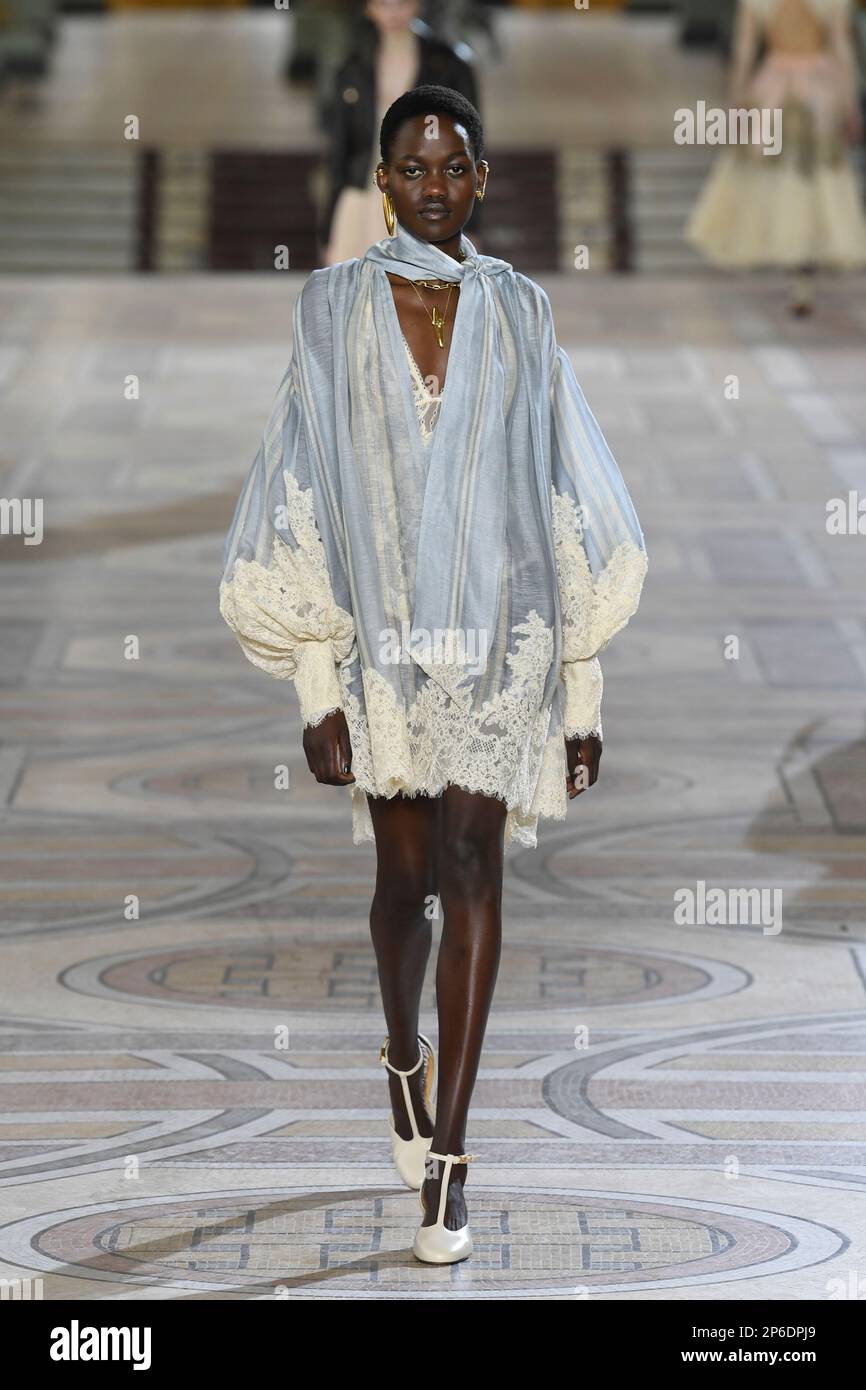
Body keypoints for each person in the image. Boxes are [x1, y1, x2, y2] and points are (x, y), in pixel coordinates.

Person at [219, 85, 648, 1264]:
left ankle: (450, 1154)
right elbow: (298, 484)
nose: (434, 190)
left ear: (481, 179)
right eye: (411, 170)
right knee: (401, 885)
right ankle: (401, 1053)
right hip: (385, 643)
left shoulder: (520, 311)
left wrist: (580, 688)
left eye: (453, 169)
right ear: (379, 180)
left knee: (470, 867)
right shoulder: (329, 310)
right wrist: (315, 685)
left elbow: (563, 485)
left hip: (499, 639)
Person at [684, 0, 866, 315]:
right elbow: (842, 50)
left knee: (780, 177)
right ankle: (803, 267)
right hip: (819, 91)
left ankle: (796, 264)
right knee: (816, 178)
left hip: (774, 88)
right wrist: (850, 104)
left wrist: (738, 99)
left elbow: (744, 51)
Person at [320, 0, 480, 265]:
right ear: (369, 7)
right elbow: (340, 148)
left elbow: (469, 148)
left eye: (401, 3)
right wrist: (328, 229)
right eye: (383, 4)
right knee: (355, 294)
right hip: (362, 194)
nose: (393, 13)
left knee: (421, 294)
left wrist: (472, 222)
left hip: (426, 196)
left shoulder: (451, 66)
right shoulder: (352, 66)